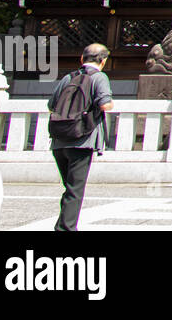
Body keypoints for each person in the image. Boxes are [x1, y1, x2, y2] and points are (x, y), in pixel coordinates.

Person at [47, 43, 114, 231]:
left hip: (60, 140)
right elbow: (105, 105)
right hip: (82, 140)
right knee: (75, 189)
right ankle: (66, 228)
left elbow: (51, 104)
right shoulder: (100, 77)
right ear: (103, 61)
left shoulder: (68, 77)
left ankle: (63, 225)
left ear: (82, 59)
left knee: (70, 187)